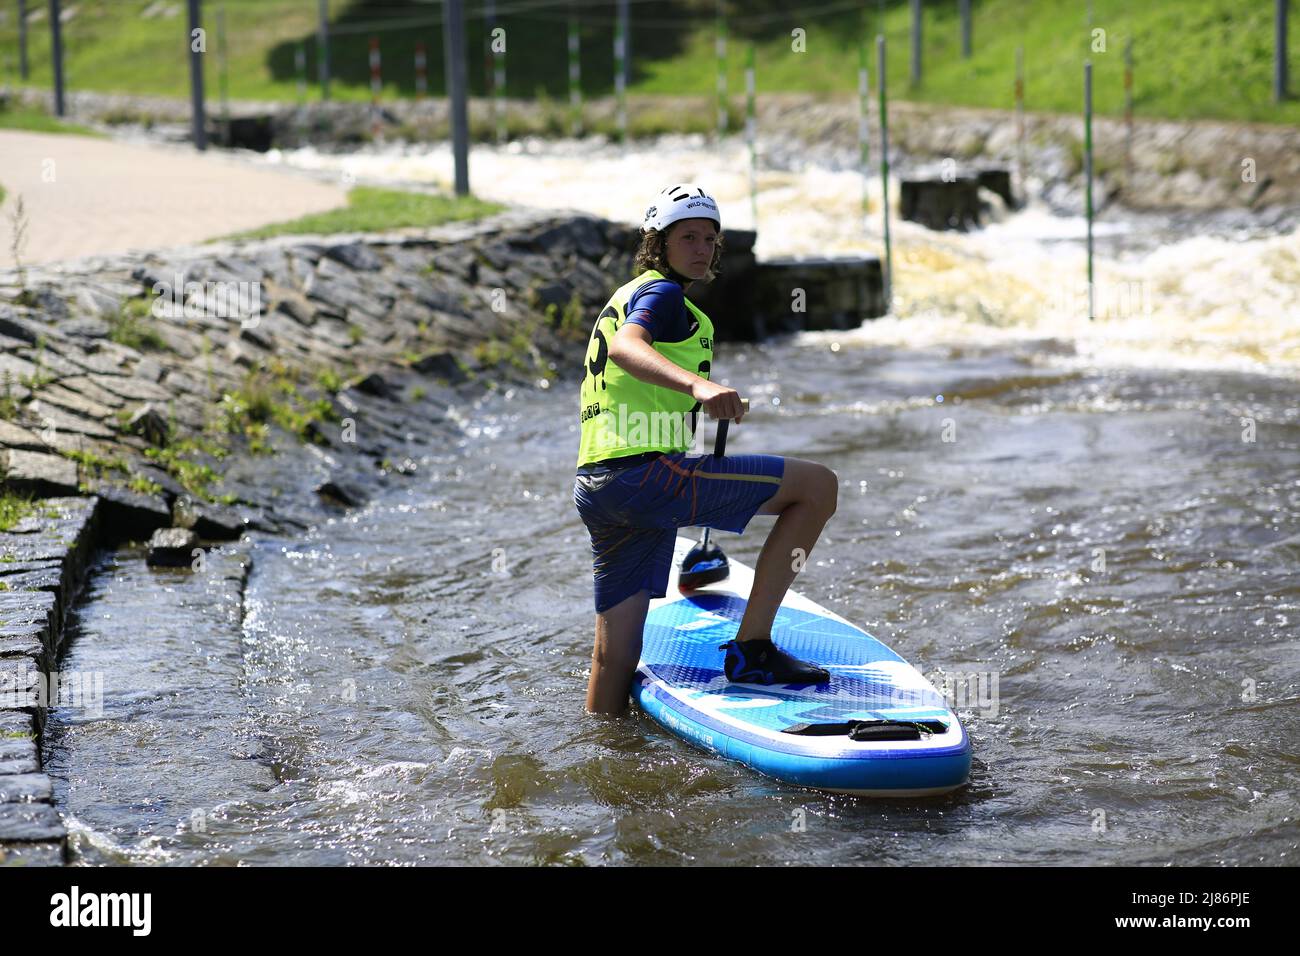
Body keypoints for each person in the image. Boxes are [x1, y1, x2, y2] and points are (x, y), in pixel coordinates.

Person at [573, 183, 839, 717]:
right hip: (647, 478)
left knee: (615, 655)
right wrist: (699, 387)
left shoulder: (626, 294)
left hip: (599, 487)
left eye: (709, 239)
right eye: (687, 237)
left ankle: (603, 753)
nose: (700, 248)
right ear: (659, 244)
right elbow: (628, 347)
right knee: (817, 487)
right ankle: (753, 649)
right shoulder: (662, 295)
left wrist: (696, 399)